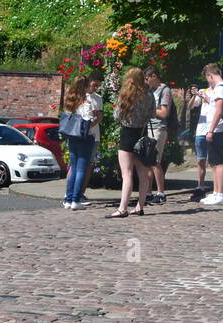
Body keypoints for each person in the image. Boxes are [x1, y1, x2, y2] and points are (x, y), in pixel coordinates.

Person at [108, 67, 154, 219]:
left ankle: (122, 208)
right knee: (142, 173)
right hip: (142, 133)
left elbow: (117, 116)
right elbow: (153, 114)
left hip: (128, 133)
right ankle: (140, 206)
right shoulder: (149, 94)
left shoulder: (126, 95)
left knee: (127, 174)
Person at [195, 64, 223, 205]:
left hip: (217, 129)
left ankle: (221, 194)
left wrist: (210, 130)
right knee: (213, 162)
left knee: (218, 162)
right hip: (215, 128)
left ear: (210, 75)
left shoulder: (220, 88)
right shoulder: (220, 88)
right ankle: (216, 192)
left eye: (207, 78)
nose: (208, 82)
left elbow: (218, 110)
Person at [61, 75, 97, 210]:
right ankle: (76, 199)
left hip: (72, 137)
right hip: (85, 138)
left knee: (73, 168)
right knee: (81, 169)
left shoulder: (70, 101)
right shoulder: (86, 103)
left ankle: (68, 199)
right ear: (84, 87)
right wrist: (95, 119)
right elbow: (88, 122)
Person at [142, 67, 172, 205]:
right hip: (148, 127)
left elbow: (164, 112)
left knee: (155, 161)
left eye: (147, 79)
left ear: (154, 76)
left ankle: (161, 193)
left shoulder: (164, 90)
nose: (145, 81)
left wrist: (149, 111)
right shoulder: (150, 90)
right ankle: (148, 192)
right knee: (147, 162)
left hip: (158, 128)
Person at [79, 72, 103, 201]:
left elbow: (100, 117)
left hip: (94, 135)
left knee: (89, 165)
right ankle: (72, 192)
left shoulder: (98, 98)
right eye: (94, 85)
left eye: (98, 86)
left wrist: (91, 124)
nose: (95, 88)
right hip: (80, 135)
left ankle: (81, 192)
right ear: (89, 82)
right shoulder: (81, 96)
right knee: (77, 164)